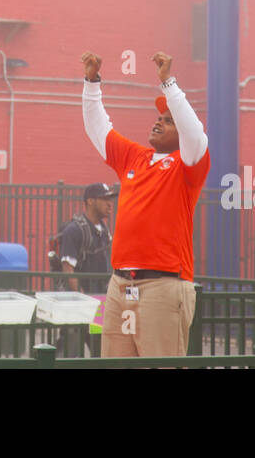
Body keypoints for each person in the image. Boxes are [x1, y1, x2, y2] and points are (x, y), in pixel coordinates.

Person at [80, 49, 210, 357]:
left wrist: (169, 84)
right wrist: (91, 82)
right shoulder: (134, 157)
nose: (158, 123)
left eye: (169, 121)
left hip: (163, 286)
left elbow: (197, 135)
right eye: (158, 119)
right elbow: (98, 128)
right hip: (118, 284)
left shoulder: (188, 165)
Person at [57, 183, 116, 294]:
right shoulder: (74, 230)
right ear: (90, 201)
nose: (110, 204)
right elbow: (68, 269)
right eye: (104, 199)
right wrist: (82, 298)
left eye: (110, 199)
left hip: (101, 297)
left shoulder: (105, 231)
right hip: (81, 301)